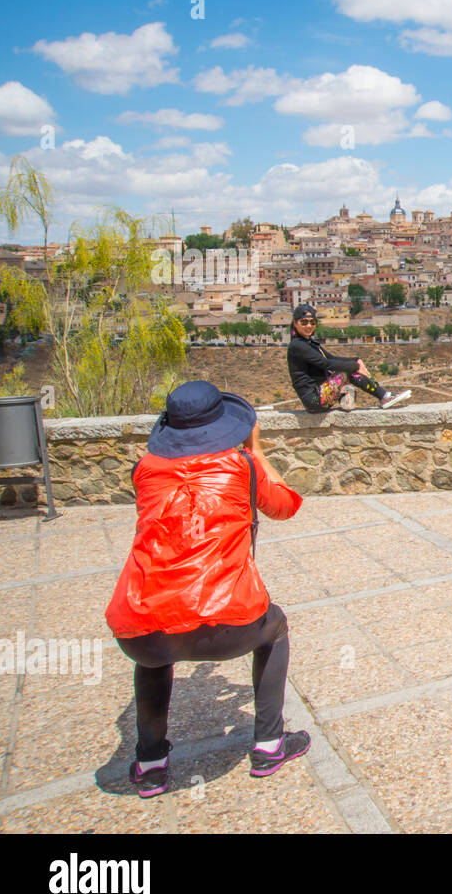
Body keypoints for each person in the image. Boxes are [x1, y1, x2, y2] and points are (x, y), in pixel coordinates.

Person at [106, 381, 310, 797]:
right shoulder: (241, 466)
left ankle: (150, 763)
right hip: (228, 624)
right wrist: (256, 452)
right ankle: (269, 744)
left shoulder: (144, 470)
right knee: (276, 627)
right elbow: (286, 505)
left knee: (155, 642)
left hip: (141, 631)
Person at [287, 304, 410, 412]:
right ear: (295, 323)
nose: (309, 325)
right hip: (314, 400)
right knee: (345, 371)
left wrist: (356, 360)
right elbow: (326, 363)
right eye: (304, 322)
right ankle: (383, 396)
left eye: (312, 322)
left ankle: (352, 398)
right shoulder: (298, 345)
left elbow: (332, 358)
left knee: (348, 368)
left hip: (319, 396)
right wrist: (355, 366)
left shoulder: (308, 343)